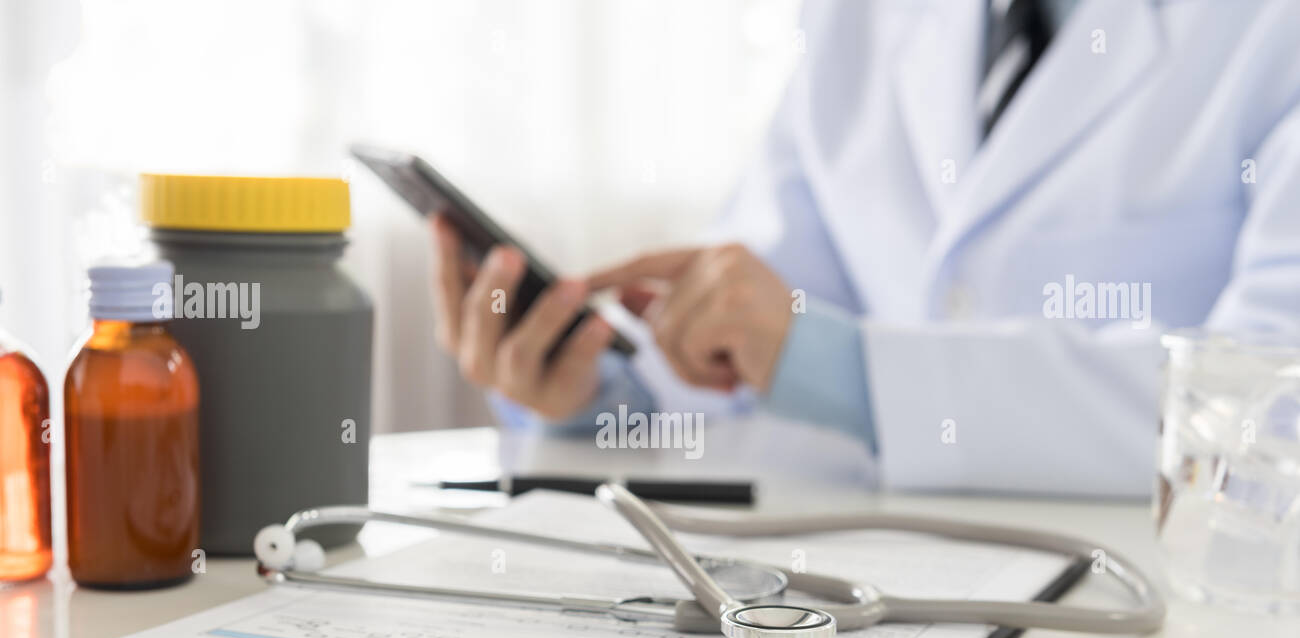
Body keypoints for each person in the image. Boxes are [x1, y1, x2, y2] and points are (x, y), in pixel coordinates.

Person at [429, 0, 1300, 496]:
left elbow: (1272, 414)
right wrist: (595, 392)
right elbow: (759, 330)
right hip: (876, 613)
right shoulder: (865, 19)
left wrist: (844, 370)